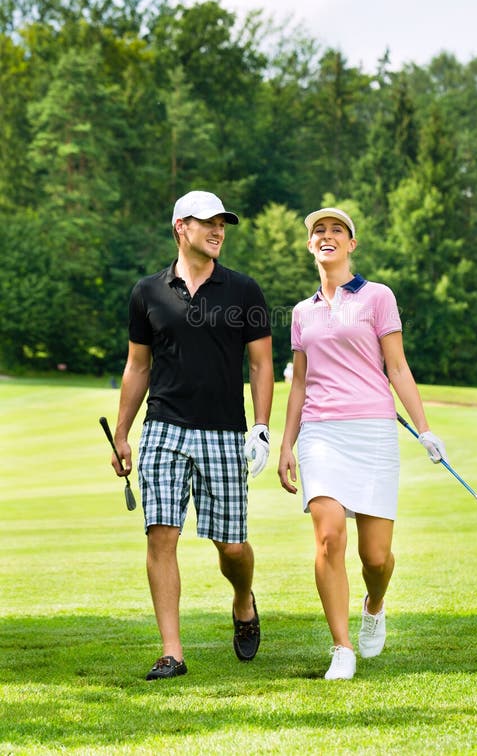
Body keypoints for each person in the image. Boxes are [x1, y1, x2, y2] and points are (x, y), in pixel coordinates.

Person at [110, 190, 274, 680]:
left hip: (224, 433)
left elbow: (262, 364)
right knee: (161, 535)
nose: (218, 230)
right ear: (180, 226)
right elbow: (137, 367)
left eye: (223, 223)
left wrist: (261, 427)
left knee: (232, 547)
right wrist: (122, 431)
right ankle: (172, 652)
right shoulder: (147, 291)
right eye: (208, 223)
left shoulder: (244, 290)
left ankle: (243, 600)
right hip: (163, 427)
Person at [278, 207, 446, 681]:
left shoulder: (378, 297)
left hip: (372, 430)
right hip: (320, 433)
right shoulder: (301, 312)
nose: (326, 236)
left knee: (375, 557)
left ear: (351, 245)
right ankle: (342, 647)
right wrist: (288, 444)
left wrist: (425, 428)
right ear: (311, 246)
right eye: (318, 232)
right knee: (329, 534)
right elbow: (299, 384)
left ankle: (375, 603)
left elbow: (397, 367)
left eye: (337, 231)